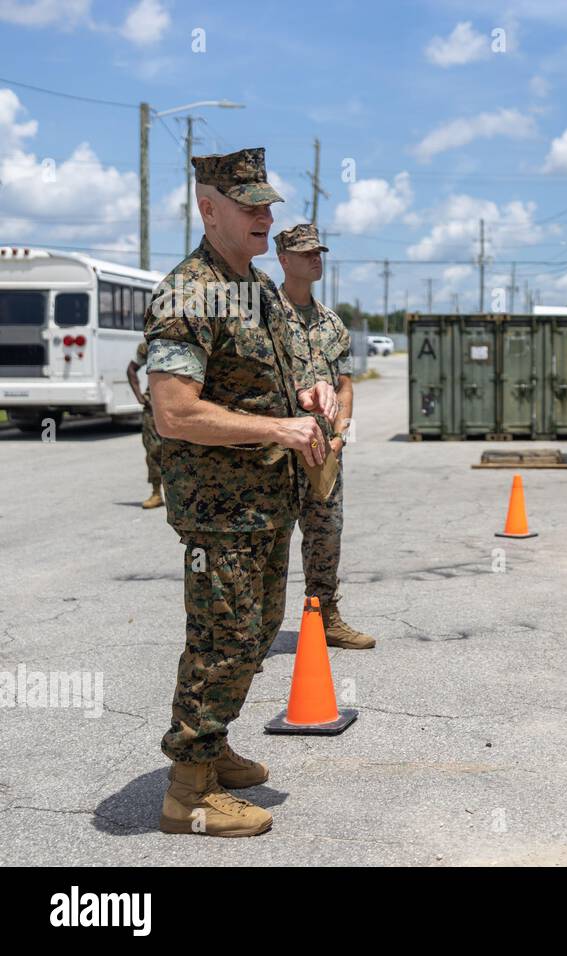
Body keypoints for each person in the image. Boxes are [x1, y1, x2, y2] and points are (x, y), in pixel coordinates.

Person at [146, 147, 337, 837]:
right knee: (221, 642)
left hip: (267, 502)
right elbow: (174, 410)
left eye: (266, 203)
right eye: (249, 205)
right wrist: (279, 427)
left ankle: (214, 742)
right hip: (218, 511)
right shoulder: (188, 293)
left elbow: (279, 364)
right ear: (208, 208)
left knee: (255, 632)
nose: (265, 216)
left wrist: (308, 391)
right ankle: (187, 791)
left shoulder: (252, 285)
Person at [275, 222, 375, 648]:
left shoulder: (332, 323)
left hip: (325, 451)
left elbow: (346, 385)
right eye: (305, 253)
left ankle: (324, 617)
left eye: (318, 252)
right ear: (283, 259)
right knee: (272, 541)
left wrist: (340, 435)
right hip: (276, 451)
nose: (315, 258)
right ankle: (257, 632)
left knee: (325, 537)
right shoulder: (266, 316)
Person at [125, 340, 163, 508]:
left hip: (183, 405)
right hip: (153, 406)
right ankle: (156, 493)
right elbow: (131, 369)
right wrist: (140, 397)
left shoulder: (188, 340)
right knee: (153, 450)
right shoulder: (148, 345)